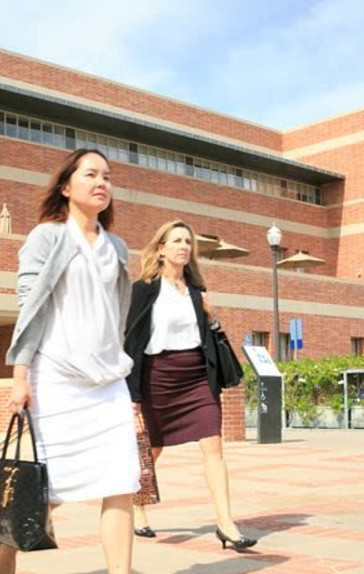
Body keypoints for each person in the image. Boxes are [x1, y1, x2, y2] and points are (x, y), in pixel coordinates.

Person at [0, 148, 139, 574]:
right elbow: (29, 307)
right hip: (56, 378)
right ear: (66, 186)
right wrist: (20, 376)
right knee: (42, 492)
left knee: (120, 483)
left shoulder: (117, 247)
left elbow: (119, 315)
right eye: (91, 175)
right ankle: (3, 561)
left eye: (108, 177)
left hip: (109, 381)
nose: (102, 183)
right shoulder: (48, 237)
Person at [123, 220, 256, 552]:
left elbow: (209, 336)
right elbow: (131, 342)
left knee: (214, 446)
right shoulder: (143, 289)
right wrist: (132, 394)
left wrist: (211, 315)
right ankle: (137, 507)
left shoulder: (198, 292)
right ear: (161, 248)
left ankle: (225, 523)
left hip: (197, 377)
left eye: (187, 241)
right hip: (158, 378)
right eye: (177, 241)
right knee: (151, 450)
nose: (184, 246)